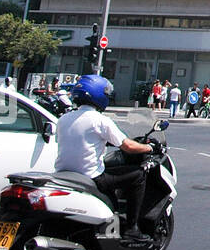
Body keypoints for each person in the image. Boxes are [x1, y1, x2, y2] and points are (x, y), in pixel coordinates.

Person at [55, 74, 153, 240]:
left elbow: (78, 140)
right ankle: (132, 228)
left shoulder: (64, 119)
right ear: (99, 96)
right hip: (91, 177)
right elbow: (128, 146)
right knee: (139, 175)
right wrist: (149, 147)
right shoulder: (100, 121)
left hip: (63, 174)